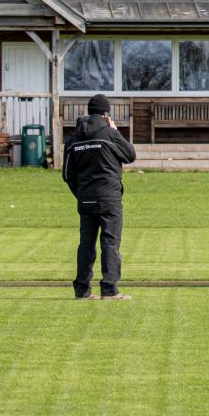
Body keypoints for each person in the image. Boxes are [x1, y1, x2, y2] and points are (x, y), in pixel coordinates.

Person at [62, 93, 136, 300]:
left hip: (85, 199)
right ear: (106, 115)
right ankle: (110, 289)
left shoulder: (74, 139)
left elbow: (68, 175)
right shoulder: (109, 135)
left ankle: (82, 290)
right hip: (109, 198)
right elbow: (130, 155)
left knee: (86, 244)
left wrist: (81, 193)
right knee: (110, 243)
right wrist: (115, 131)